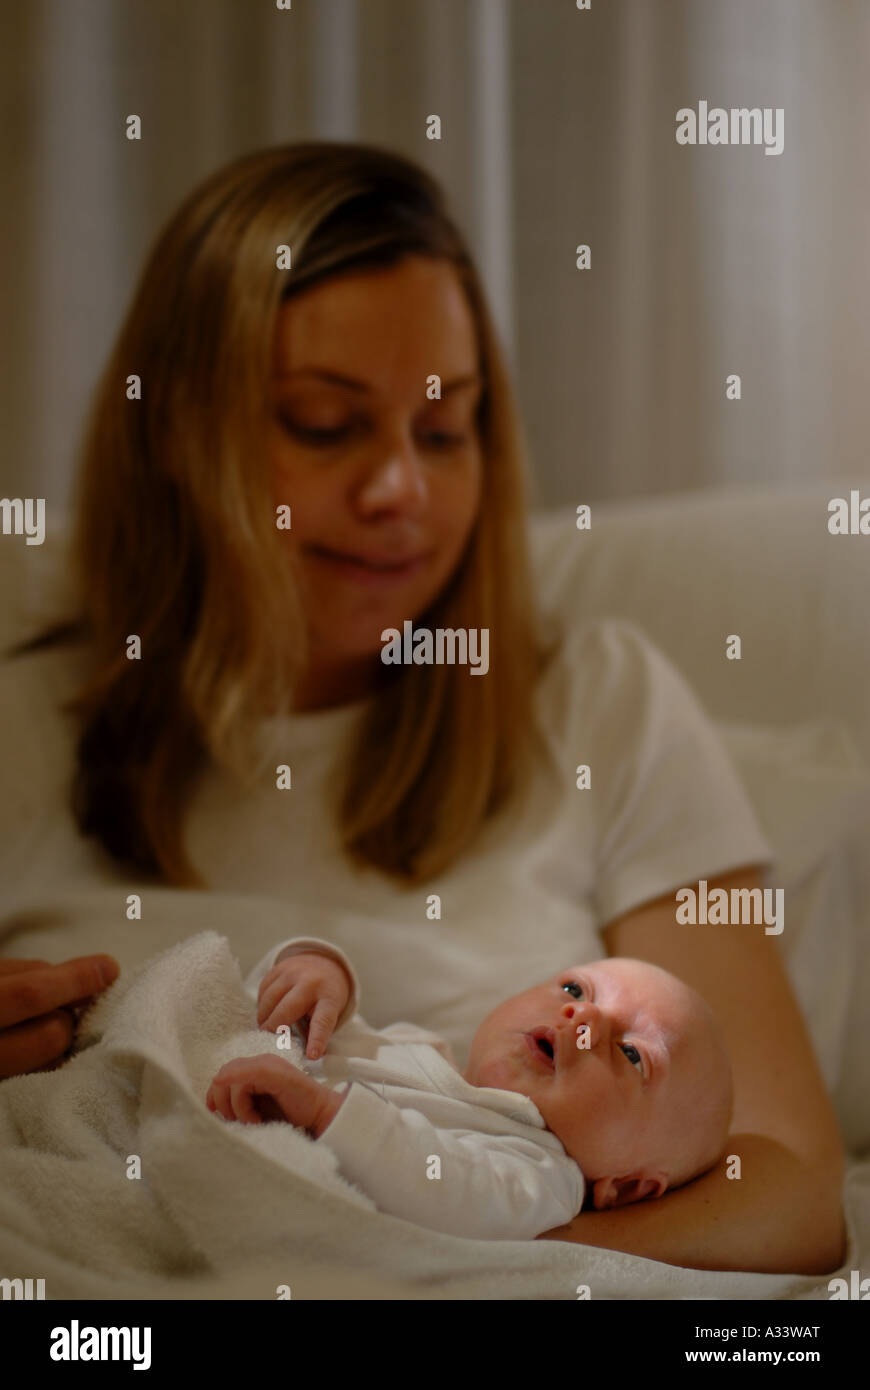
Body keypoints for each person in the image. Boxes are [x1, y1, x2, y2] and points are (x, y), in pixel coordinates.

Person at [0, 140, 845, 1275]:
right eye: (324, 421)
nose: (401, 487)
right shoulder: (23, 725)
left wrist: (415, 1244)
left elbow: (785, 1186)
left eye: (445, 430)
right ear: (174, 434)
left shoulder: (604, 708)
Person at [205, 932, 734, 1241]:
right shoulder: (420, 1046)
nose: (584, 1013)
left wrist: (326, 1112)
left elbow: (450, 1193)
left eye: (631, 1053)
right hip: (209, 1069)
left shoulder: (541, 1172)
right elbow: (289, 1021)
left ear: (629, 1187)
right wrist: (322, 975)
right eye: (575, 987)